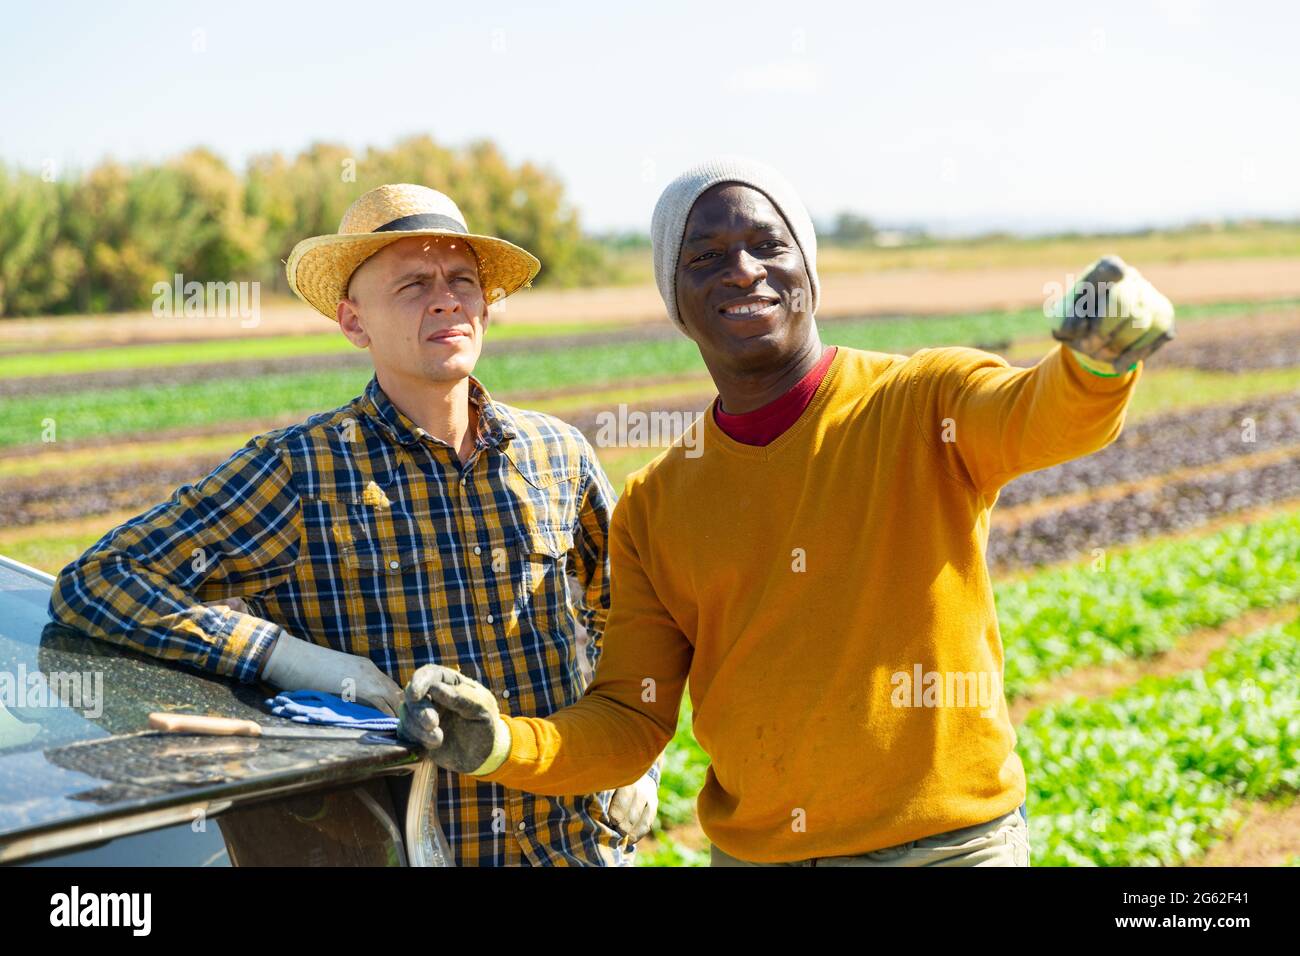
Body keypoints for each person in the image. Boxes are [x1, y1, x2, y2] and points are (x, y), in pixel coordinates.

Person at [397, 157, 1176, 867]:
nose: (742, 271)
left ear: (806, 268)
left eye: (768, 245)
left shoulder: (920, 402)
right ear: (677, 299)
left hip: (946, 853)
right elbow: (630, 722)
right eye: (704, 256)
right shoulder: (658, 503)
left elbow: (1040, 413)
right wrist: (504, 742)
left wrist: (1094, 365)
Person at [49, 183, 660, 866]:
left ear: (487, 304)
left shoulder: (558, 455)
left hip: (572, 847)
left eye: (462, 279)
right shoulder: (299, 472)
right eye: (412, 285)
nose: (446, 298)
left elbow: (626, 613)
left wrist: (636, 757)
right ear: (353, 321)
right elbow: (100, 580)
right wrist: (293, 660)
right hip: (411, 849)